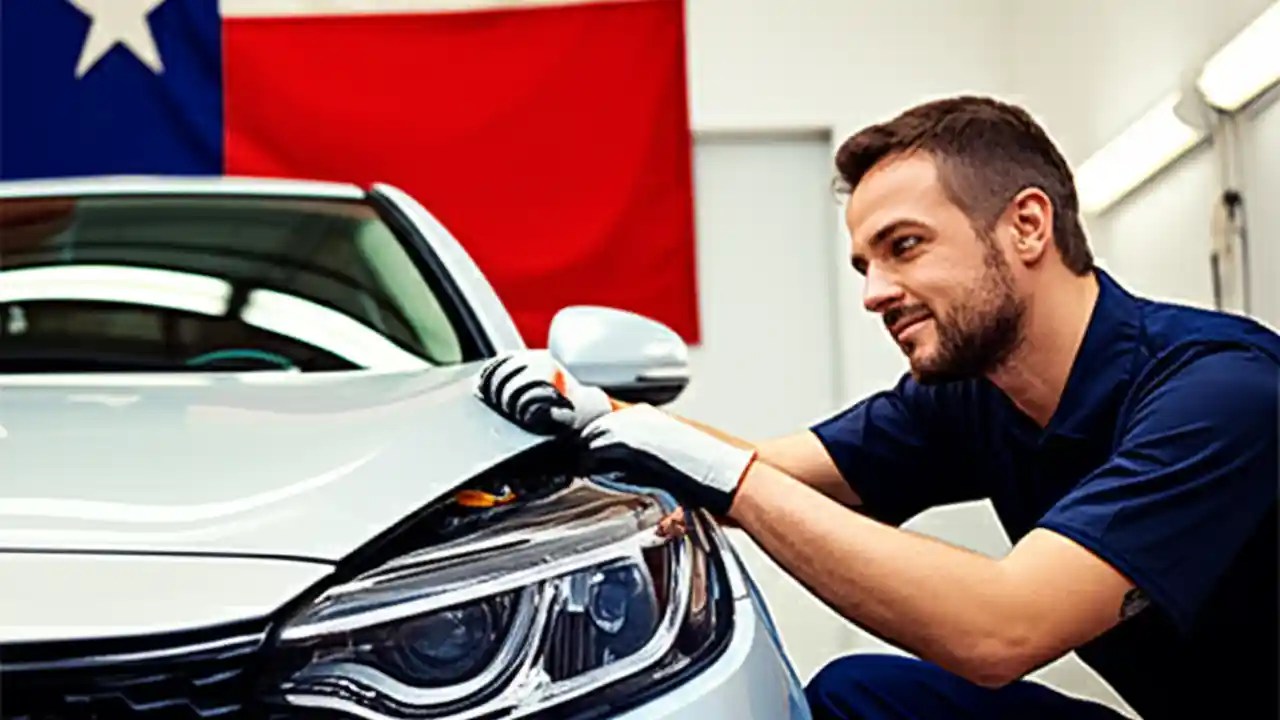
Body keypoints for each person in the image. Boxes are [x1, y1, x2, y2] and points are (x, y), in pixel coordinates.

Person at [473, 95, 1280, 720]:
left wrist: (724, 475)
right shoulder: (977, 393)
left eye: (905, 247)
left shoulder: (1221, 395)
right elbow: (779, 470)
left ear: (1027, 226)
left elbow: (1003, 629)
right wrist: (587, 413)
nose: (874, 294)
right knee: (865, 699)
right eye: (865, 263)